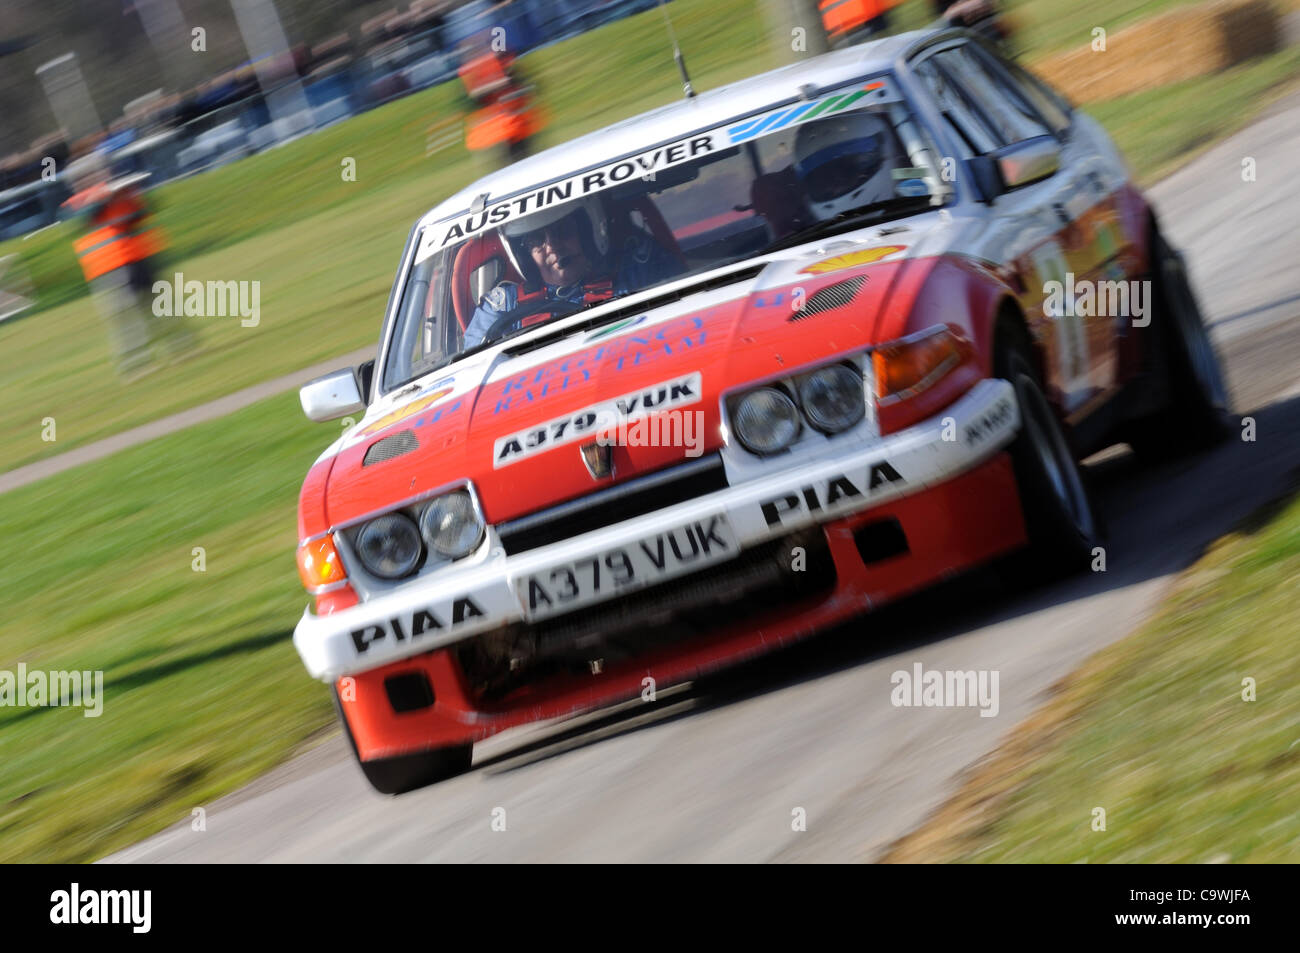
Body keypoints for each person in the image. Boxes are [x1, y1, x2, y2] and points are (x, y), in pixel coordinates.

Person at [463, 195, 682, 349]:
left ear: (588, 233)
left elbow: (683, 325)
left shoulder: (638, 270)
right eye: (537, 240)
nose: (552, 246)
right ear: (523, 255)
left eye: (562, 231)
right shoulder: (501, 307)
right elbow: (475, 367)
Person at [64, 153, 197, 376]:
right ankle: (135, 363)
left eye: (99, 170)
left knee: (162, 306)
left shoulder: (120, 191)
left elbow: (146, 210)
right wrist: (100, 198)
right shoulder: (75, 204)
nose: (99, 175)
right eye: (91, 174)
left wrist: (129, 194)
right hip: (108, 268)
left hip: (140, 257)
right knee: (125, 318)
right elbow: (79, 222)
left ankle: (181, 346)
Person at [792, 112, 900, 222]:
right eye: (822, 180)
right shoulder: (804, 236)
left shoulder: (916, 184)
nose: (836, 187)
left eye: (847, 170)